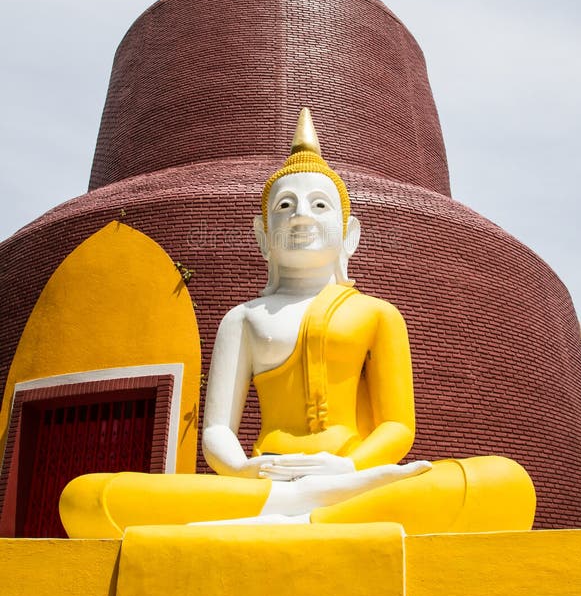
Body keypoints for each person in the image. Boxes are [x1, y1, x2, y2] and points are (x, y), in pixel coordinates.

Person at [59, 110, 536, 538]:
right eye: (285, 206)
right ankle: (305, 511)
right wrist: (247, 470)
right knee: (84, 497)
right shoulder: (243, 319)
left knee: (505, 482)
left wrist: (348, 468)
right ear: (263, 234)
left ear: (349, 234)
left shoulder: (376, 313)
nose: (301, 216)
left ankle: (303, 513)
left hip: (354, 477)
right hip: (266, 481)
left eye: (320, 205)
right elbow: (218, 433)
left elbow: (396, 425)